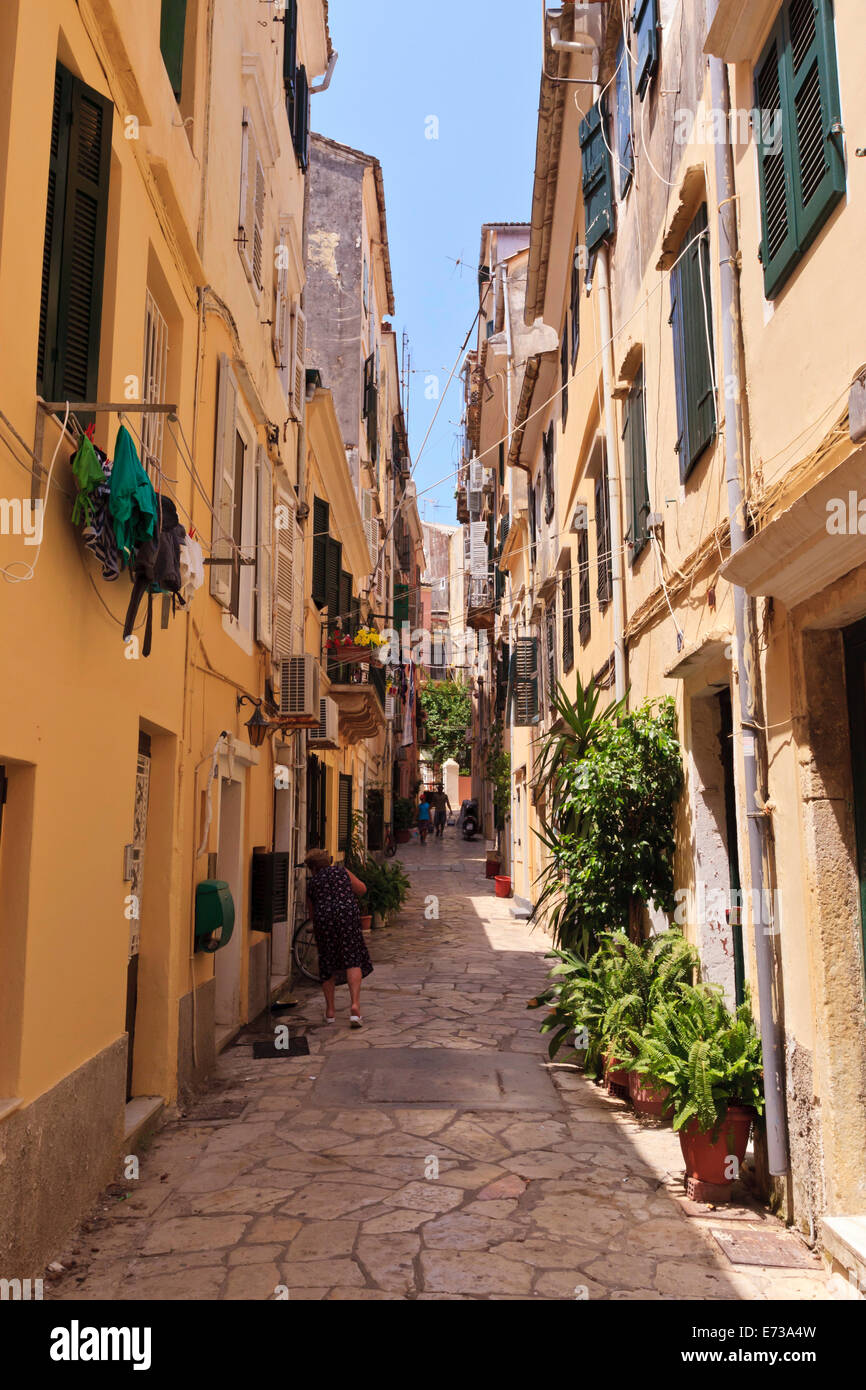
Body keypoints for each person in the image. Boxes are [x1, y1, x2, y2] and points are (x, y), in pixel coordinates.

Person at [304, 849, 372, 1027]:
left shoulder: (312, 883)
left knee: (327, 963)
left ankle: (330, 1012)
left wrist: (319, 924)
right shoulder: (342, 872)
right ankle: (355, 1007)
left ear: (312, 868)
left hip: (324, 920)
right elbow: (362, 889)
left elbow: (311, 914)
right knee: (352, 960)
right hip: (347, 918)